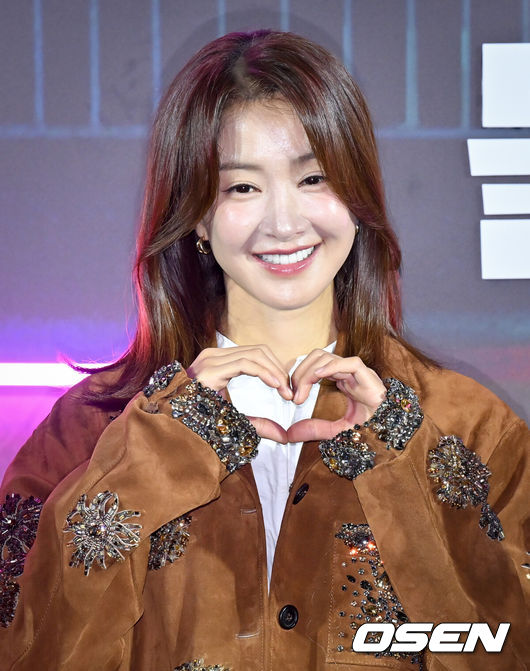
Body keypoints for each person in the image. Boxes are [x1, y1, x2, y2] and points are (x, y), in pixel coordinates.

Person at [0, 29, 528, 671]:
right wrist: (157, 456)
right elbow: (27, 649)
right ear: (196, 214)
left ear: (357, 193)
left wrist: (403, 464)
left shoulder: (470, 427)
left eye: (314, 178)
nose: (284, 223)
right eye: (242, 188)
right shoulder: (88, 431)